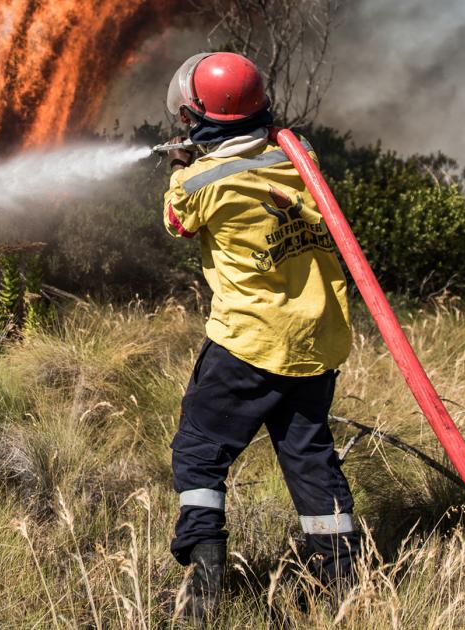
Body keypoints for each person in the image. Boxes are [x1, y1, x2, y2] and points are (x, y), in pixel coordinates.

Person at [161, 51, 359, 620]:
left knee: (199, 455)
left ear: (195, 117)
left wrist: (181, 165)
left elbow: (177, 223)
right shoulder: (302, 157)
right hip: (317, 343)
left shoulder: (197, 183)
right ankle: (342, 580)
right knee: (309, 457)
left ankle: (204, 581)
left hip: (247, 345)